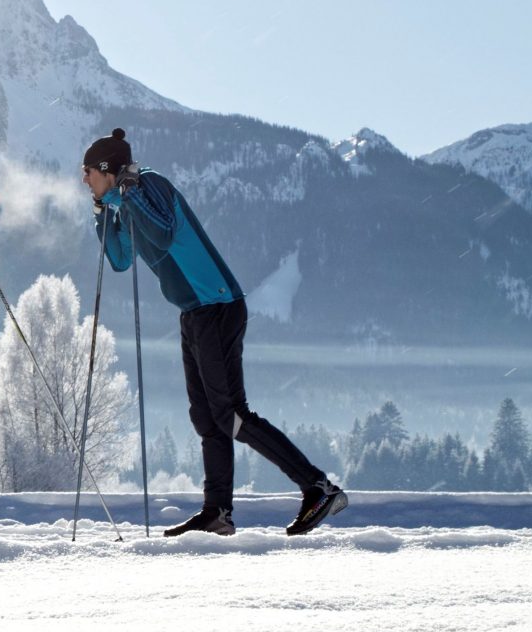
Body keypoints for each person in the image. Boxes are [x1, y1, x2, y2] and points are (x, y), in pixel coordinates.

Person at [83, 128, 347, 536]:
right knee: (207, 418)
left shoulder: (149, 183)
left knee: (232, 415)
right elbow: (119, 260)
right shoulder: (121, 201)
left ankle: (319, 488)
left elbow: (164, 233)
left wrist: (129, 194)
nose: (84, 181)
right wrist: (104, 212)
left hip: (218, 305)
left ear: (106, 169)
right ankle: (217, 511)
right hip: (193, 312)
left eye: (88, 172)